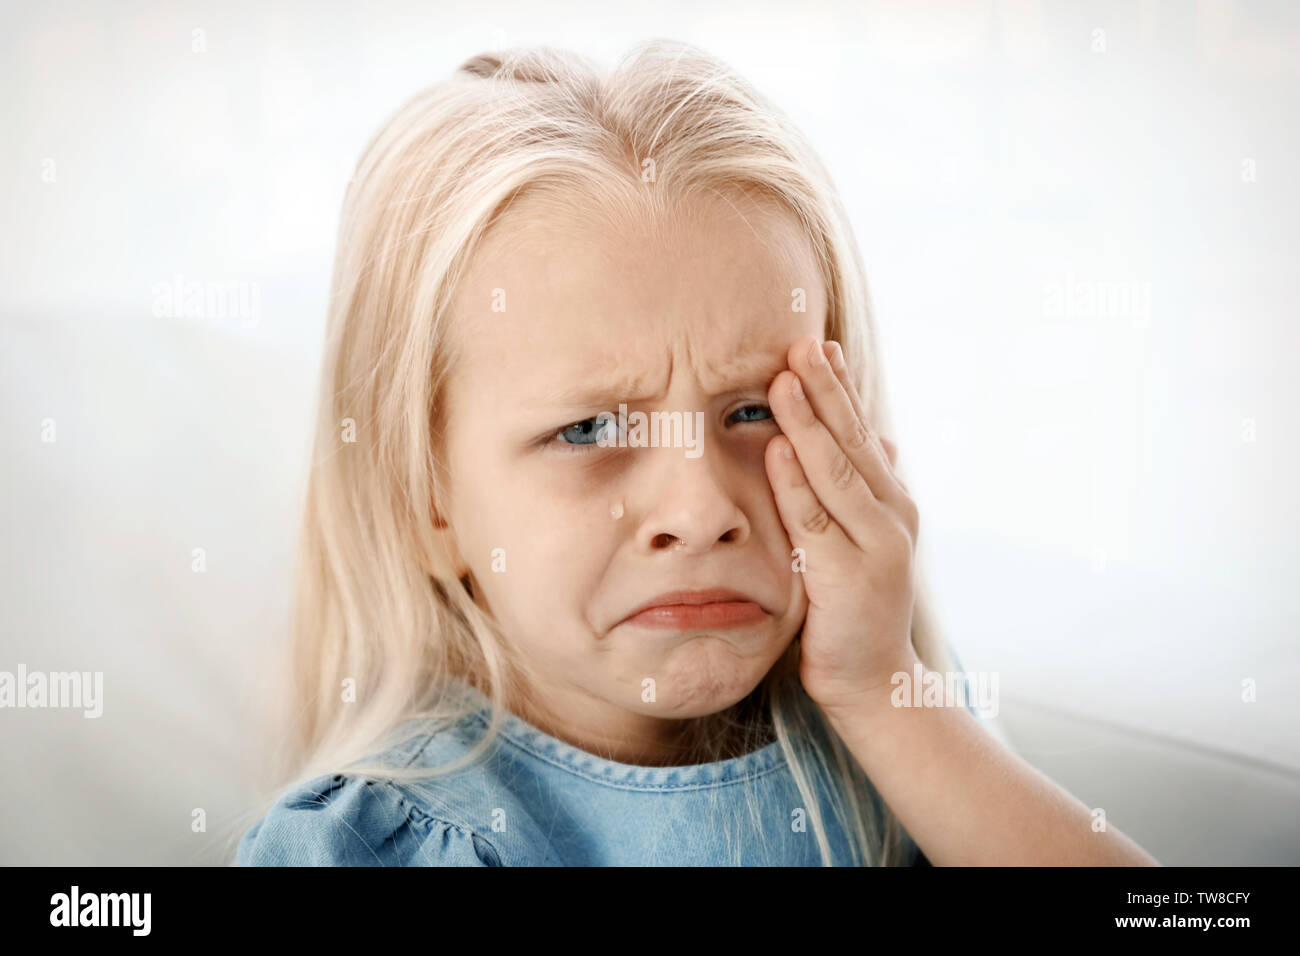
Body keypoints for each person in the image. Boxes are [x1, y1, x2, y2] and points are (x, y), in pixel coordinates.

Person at [235, 39, 1158, 866]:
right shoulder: (369, 846)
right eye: (590, 430)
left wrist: (883, 691)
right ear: (425, 504)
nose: (701, 510)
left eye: (756, 409)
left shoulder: (890, 715)